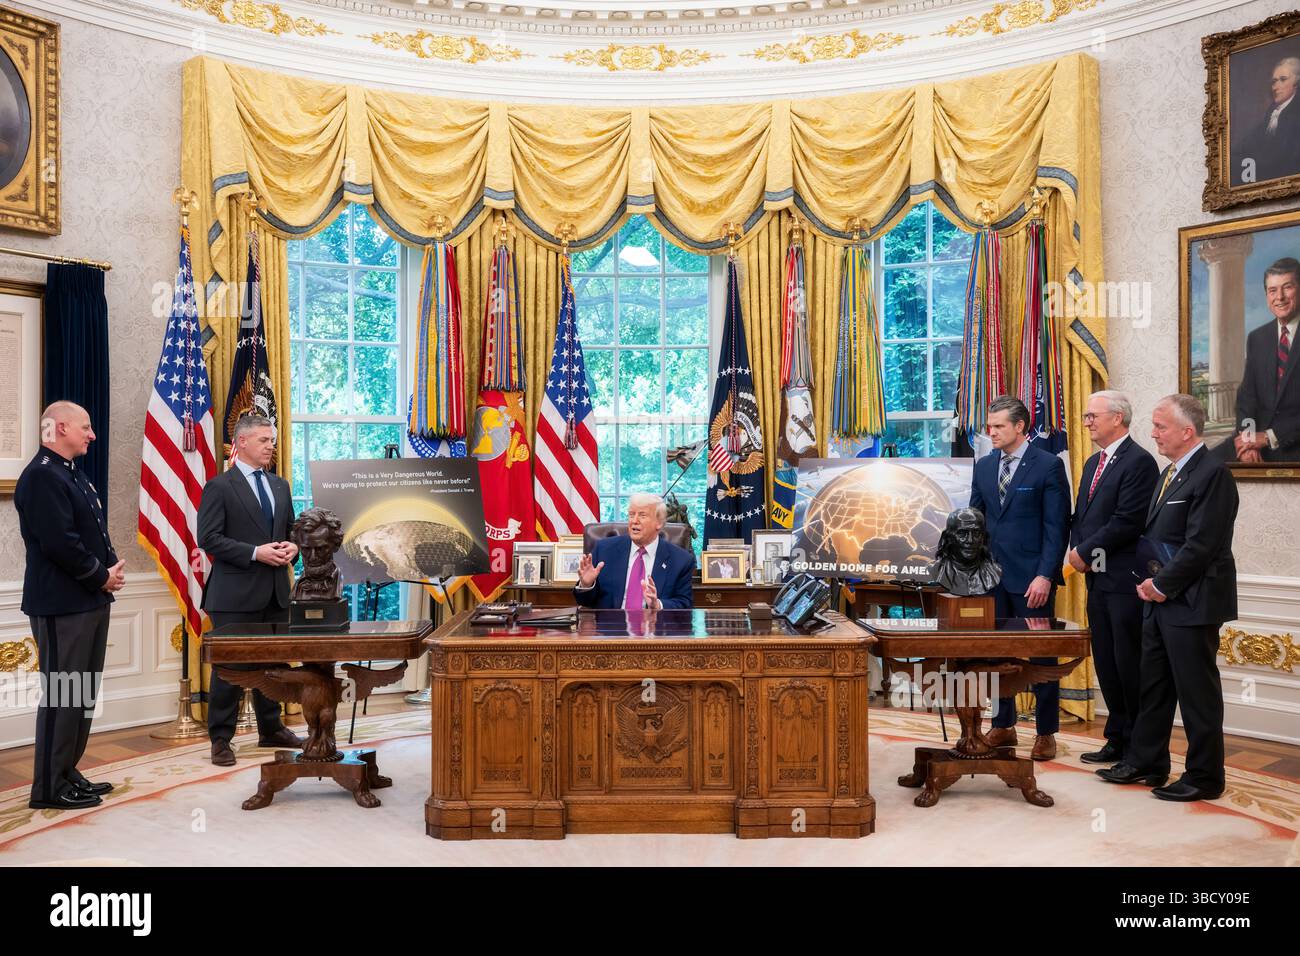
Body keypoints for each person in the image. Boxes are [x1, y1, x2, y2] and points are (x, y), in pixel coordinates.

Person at [1098, 395, 1238, 802]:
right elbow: (1157, 539)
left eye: (1160, 426)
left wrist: (1160, 586)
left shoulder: (1213, 474)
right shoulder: (1170, 472)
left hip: (1192, 603)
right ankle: (1147, 761)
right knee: (1154, 687)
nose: (1153, 433)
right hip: (1160, 600)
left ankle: (1205, 777)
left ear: (1187, 431)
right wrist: (1149, 585)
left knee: (1197, 693)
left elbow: (1202, 546)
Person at [14, 402, 123, 810]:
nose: (92, 435)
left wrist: (107, 572)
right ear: (61, 427)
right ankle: (47, 787)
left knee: (82, 694)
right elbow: (60, 543)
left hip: (87, 601)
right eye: (86, 427)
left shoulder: (69, 473)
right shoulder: (43, 476)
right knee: (63, 694)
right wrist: (101, 575)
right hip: (61, 605)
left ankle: (67, 771)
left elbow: (90, 531)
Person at [197, 414, 304, 766]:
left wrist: (293, 548)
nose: (271, 445)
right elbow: (208, 538)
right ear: (241, 443)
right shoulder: (220, 487)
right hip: (233, 596)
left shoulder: (280, 485)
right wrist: (255, 553)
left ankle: (271, 729)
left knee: (274, 664)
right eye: (263, 440)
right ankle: (221, 739)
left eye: (272, 440)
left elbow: (290, 530)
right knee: (230, 671)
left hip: (275, 592)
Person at [969, 395, 1071, 760]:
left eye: (998, 426)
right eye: (990, 425)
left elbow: (1056, 528)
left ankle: (1046, 732)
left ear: (1020, 427)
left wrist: (1045, 575)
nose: (990, 431)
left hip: (1032, 582)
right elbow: (975, 524)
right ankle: (1003, 725)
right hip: (991, 582)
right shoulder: (983, 466)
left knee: (1041, 658)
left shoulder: (1047, 466)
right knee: (998, 656)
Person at [1067, 391, 1158, 766]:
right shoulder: (1092, 462)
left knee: (1128, 662)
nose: (1087, 421)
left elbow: (1127, 521)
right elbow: (1083, 518)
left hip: (1124, 580)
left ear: (1117, 418)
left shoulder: (1139, 462)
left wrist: (1084, 553)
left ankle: (1139, 747)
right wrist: (1080, 551)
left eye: (1093, 416)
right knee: (1105, 660)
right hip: (1097, 579)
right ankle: (1116, 739)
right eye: (1087, 416)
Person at [1229, 257, 1300, 462]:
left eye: (1287, 288)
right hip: (1258, 443)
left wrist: (1269, 437)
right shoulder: (1257, 338)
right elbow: (1247, 399)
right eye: (1272, 290)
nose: (1280, 297)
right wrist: (1248, 439)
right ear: (1266, 295)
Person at [574, 493, 694, 609]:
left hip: (654, 626)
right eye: (631, 515)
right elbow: (585, 602)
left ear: (659, 523)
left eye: (642, 515)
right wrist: (586, 585)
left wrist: (657, 605)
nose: (634, 521)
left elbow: (684, 603)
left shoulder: (681, 560)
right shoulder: (605, 550)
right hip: (610, 627)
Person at [1236, 57, 1300, 184]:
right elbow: (1245, 145)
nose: (1276, 87)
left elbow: (1284, 158)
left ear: (1297, 82)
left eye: (1283, 79)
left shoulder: (1296, 116)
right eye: (1274, 81)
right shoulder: (1272, 114)